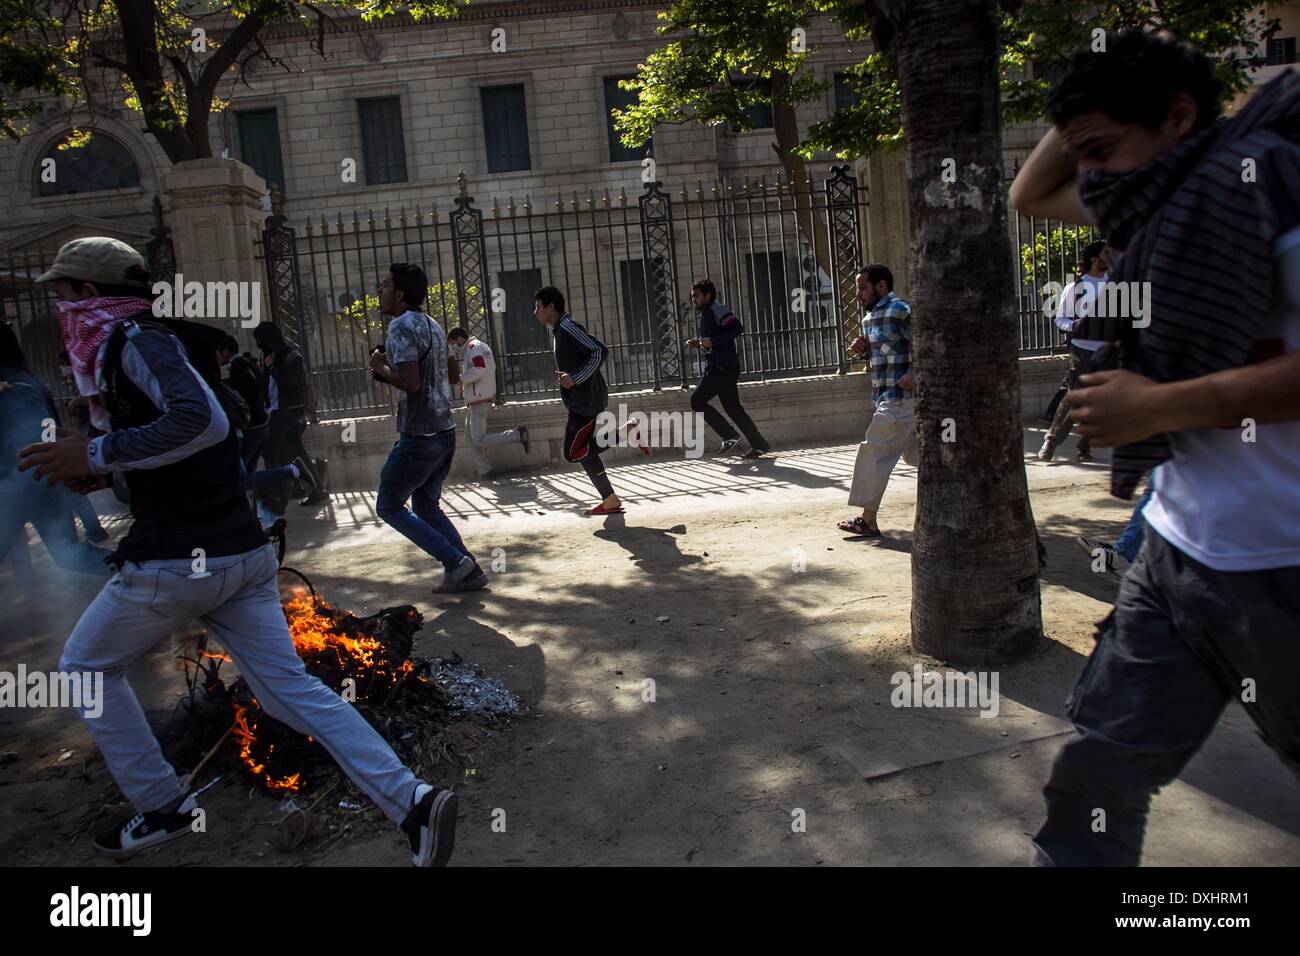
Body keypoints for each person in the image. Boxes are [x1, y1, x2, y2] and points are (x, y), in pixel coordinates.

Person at [17, 237, 458, 865]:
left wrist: (93, 454)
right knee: (287, 691)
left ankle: (163, 806)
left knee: (85, 669)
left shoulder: (134, 342)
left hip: (178, 561)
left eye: (62, 295)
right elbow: (181, 452)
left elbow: (204, 425)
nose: (59, 309)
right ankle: (413, 804)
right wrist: (107, 473)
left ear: (89, 295)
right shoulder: (148, 345)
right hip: (239, 556)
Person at [1010, 30, 1300, 866]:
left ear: (1178, 117)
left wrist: (1161, 407)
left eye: (1102, 148)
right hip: (1176, 557)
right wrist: (1091, 90)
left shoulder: (1269, 187)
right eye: (1083, 150)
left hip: (1283, 572)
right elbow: (1033, 193)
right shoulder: (1155, 197)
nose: (1090, 175)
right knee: (1095, 778)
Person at [369, 264, 488, 592]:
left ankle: (456, 562)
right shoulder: (434, 325)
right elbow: (452, 375)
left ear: (400, 294)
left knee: (389, 505)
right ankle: (470, 571)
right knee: (424, 505)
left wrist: (381, 368)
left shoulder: (399, 327)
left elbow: (411, 384)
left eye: (384, 286)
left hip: (419, 437)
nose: (380, 291)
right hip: (445, 432)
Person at [0, 322, 109, 579]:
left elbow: (38, 433)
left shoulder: (12, 386)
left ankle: (135, 572)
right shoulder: (24, 379)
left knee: (70, 554)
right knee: (70, 555)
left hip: (25, 483)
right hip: (37, 482)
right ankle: (132, 571)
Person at [837, 265, 916, 537]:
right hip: (887, 397)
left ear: (881, 286)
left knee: (874, 451)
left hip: (900, 399)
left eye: (862, 288)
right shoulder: (870, 318)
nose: (858, 294)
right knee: (923, 457)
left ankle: (867, 519)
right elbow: (882, 352)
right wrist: (863, 350)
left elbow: (925, 343)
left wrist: (915, 373)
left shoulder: (900, 310)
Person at [533, 286, 623, 515]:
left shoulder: (568, 327)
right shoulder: (559, 330)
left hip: (585, 401)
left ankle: (625, 432)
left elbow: (599, 351)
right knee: (584, 451)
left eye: (538, 307)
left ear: (551, 307)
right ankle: (609, 498)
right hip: (582, 399)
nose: (535, 312)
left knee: (573, 453)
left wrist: (575, 378)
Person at [216, 334, 313, 513]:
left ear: (225, 352)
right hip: (260, 423)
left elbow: (253, 388)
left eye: (217, 353)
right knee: (245, 475)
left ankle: (289, 473)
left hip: (253, 425)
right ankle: (267, 499)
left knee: (238, 479)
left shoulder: (239, 365)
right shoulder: (247, 362)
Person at [1039, 240, 1109, 462]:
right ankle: (1051, 441)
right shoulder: (1075, 288)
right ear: (1094, 260)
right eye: (1106, 254)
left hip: (1108, 351)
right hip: (1083, 350)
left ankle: (1084, 446)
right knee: (1074, 397)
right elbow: (1060, 319)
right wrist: (1073, 325)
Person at [687, 279, 770, 458]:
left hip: (721, 368)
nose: (693, 299)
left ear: (708, 295)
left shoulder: (717, 309)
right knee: (733, 408)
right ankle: (759, 444)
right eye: (692, 296)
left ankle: (729, 435)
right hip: (724, 367)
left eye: (696, 296)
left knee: (697, 401)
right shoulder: (707, 314)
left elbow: (737, 328)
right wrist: (700, 344)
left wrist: (712, 342)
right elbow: (714, 341)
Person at [251, 321, 328, 509]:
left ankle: (277, 493)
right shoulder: (268, 356)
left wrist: (273, 368)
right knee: (293, 451)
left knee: (272, 451)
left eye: (260, 340)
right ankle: (313, 489)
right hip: (276, 410)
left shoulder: (290, 356)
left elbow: (290, 385)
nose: (258, 344)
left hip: (289, 411)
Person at [447, 326, 529, 481]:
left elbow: (480, 369)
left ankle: (517, 434)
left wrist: (460, 378)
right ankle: (485, 471)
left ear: (459, 340)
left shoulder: (473, 347)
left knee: (478, 439)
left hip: (479, 398)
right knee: (470, 439)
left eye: (452, 343)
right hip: (477, 398)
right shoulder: (478, 346)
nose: (452, 347)